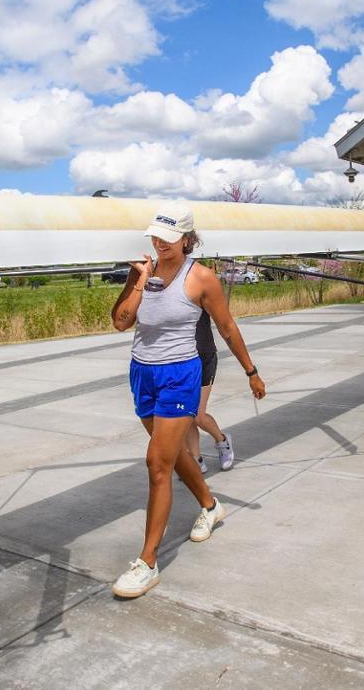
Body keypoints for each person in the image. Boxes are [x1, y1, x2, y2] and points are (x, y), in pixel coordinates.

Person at [110, 204, 266, 598]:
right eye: (155, 236)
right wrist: (139, 279)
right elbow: (120, 322)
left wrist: (251, 371)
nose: (159, 243)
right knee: (173, 454)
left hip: (180, 374)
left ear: (186, 239)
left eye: (168, 238)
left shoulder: (201, 279)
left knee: (156, 463)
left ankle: (147, 562)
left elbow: (227, 328)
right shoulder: (141, 271)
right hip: (142, 372)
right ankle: (211, 506)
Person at [184, 311, 234, 474]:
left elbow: (223, 318)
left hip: (204, 356)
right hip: (180, 359)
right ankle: (196, 460)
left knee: (198, 415)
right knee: (187, 416)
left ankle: (222, 441)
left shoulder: (199, 286)